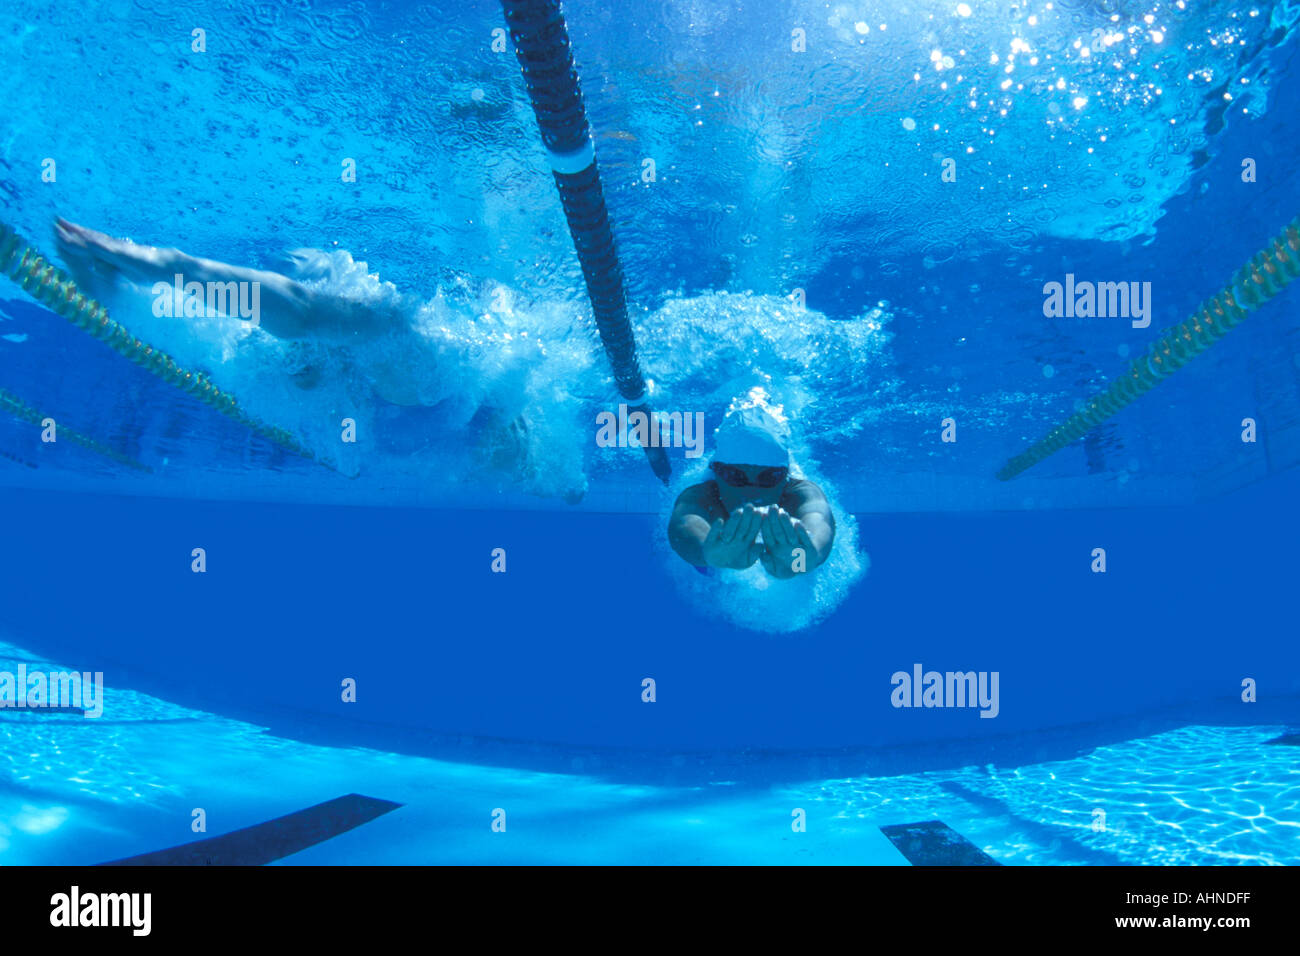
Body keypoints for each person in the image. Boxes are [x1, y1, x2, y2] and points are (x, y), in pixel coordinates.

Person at [668, 403, 835, 578]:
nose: (751, 492)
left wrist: (800, 561)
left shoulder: (798, 492)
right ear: (716, 472)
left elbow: (819, 521)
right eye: (735, 476)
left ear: (785, 477)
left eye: (769, 477)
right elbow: (685, 524)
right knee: (705, 568)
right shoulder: (703, 494)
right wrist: (707, 554)